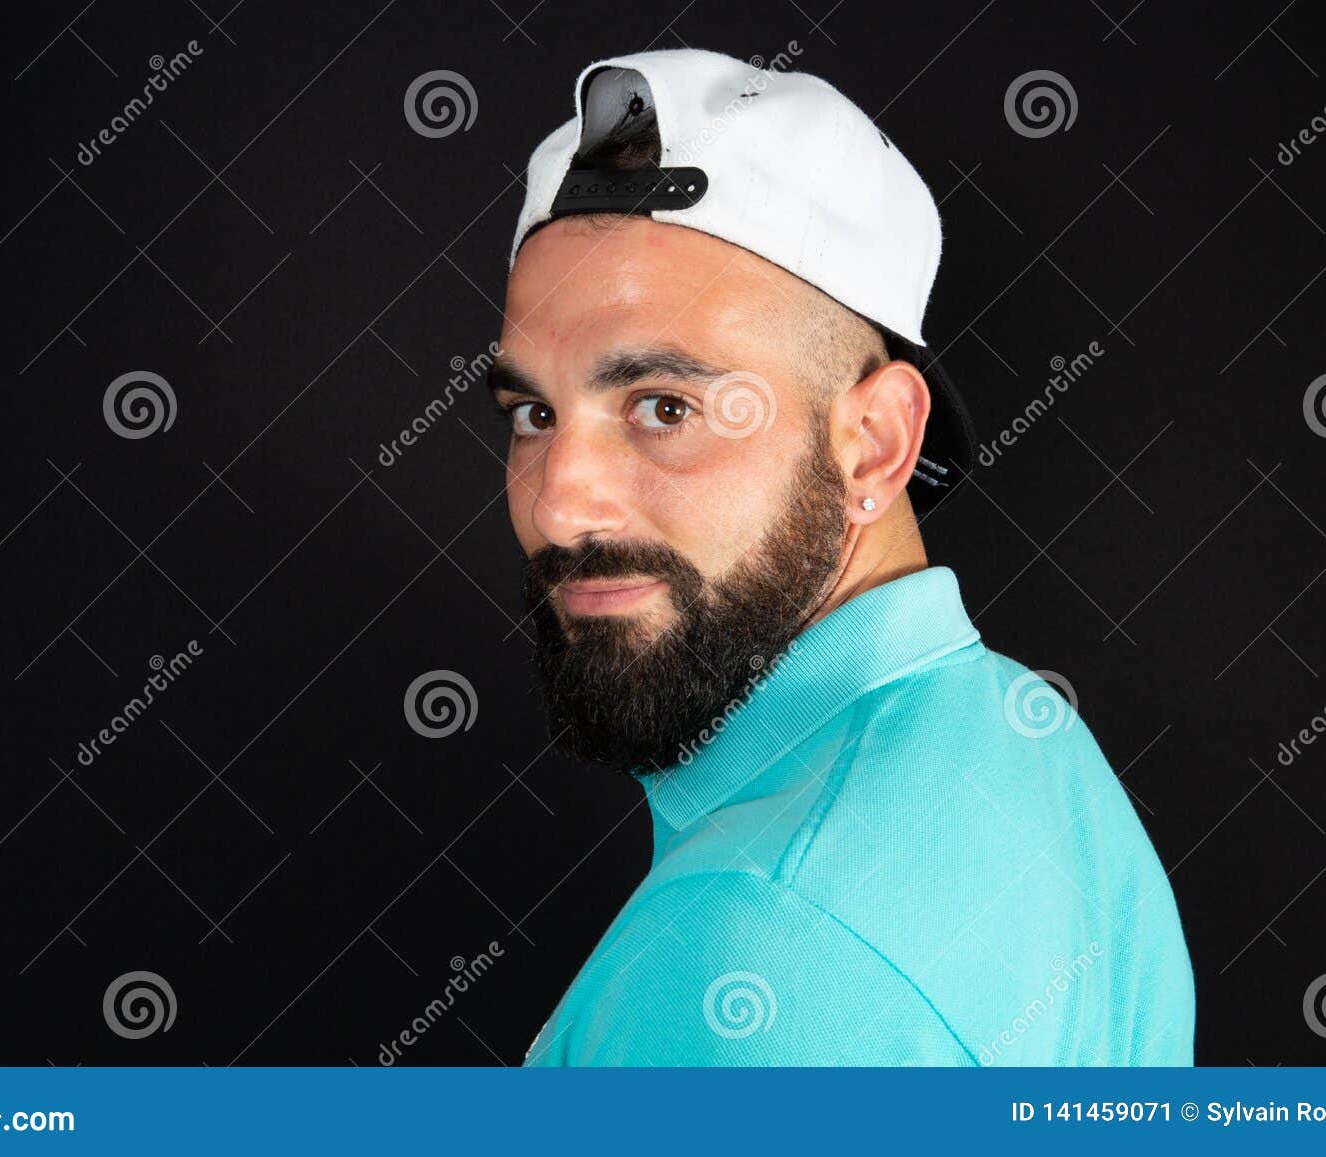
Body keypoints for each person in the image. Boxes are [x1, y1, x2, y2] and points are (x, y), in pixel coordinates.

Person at [492, 47, 1194, 1065]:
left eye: (663, 406)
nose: (558, 503)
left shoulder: (754, 954)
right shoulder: (1023, 740)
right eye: (534, 412)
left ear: (872, 442)